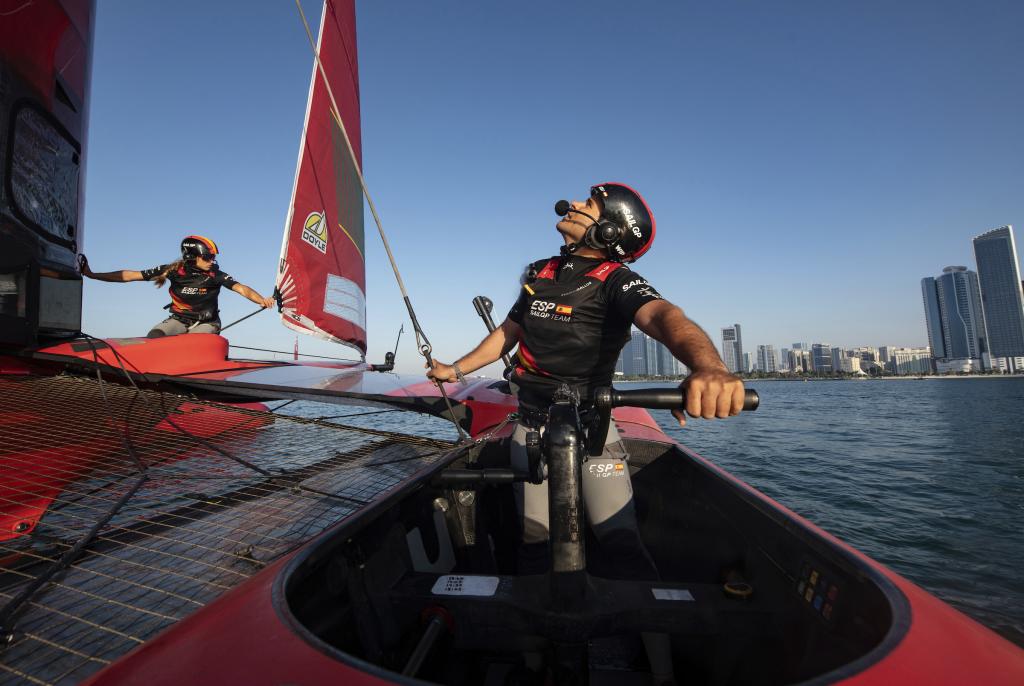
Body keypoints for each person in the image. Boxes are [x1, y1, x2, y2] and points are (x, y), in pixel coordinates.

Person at [80, 235, 275, 337]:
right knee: (154, 336)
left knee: (191, 343)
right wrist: (92, 275)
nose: (211, 260)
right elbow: (130, 275)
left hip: (207, 323)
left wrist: (261, 300)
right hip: (179, 320)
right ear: (192, 256)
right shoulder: (173, 270)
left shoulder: (215, 274)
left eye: (213, 257)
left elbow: (241, 288)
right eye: (207, 257)